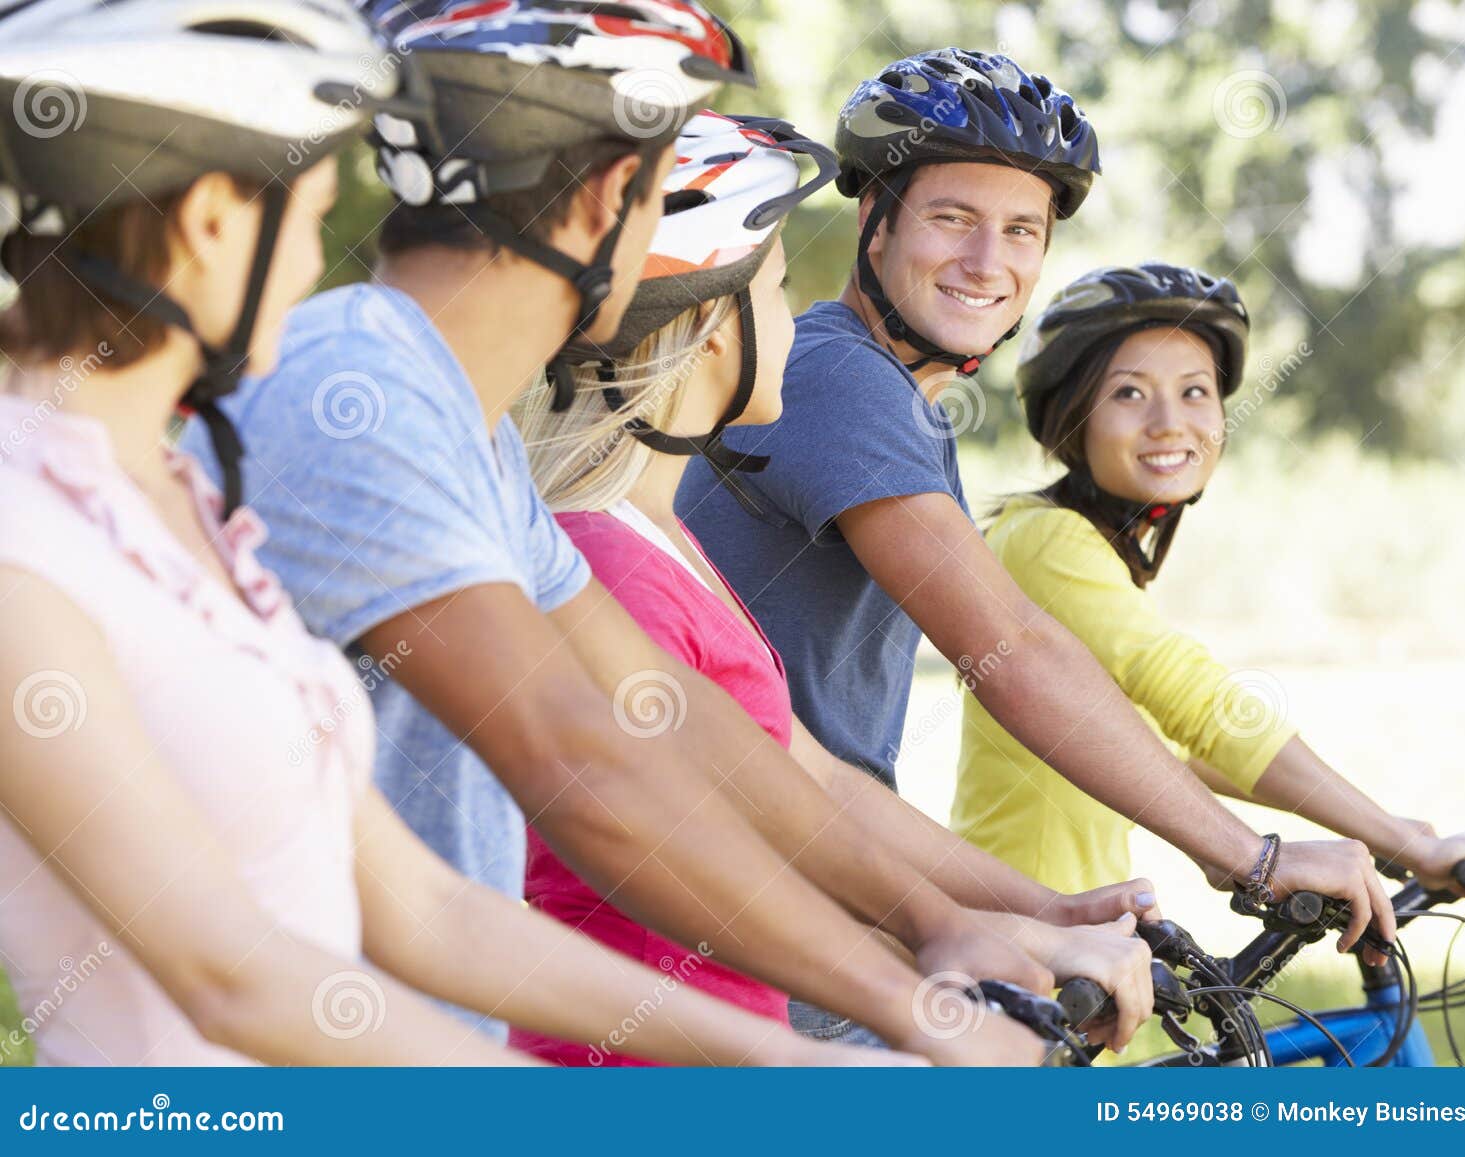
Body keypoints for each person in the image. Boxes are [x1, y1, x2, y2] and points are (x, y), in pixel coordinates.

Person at [0, 0, 888, 1069]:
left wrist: (792, 1059)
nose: (313, 269)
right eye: (313, 209)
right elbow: (233, 973)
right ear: (210, 223)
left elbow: (423, 910)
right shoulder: (28, 540)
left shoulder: (180, 491)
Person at [178, 2, 1049, 1064]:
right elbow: (580, 761)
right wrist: (895, 1000)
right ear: (608, 197)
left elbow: (669, 714)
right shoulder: (360, 390)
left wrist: (933, 928)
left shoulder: (468, 430)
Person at [677, 48, 1398, 1040]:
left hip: (819, 880)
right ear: (872, 220)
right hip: (744, 916)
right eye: (951, 219)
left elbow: (838, 762)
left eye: (1020, 230)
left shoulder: (900, 406)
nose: (988, 262)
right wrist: (1252, 856)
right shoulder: (841, 379)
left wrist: (1041, 908)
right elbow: (1010, 650)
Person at [517, 112, 1158, 1060]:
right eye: (776, 290)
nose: (798, 321)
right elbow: (703, 855)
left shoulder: (659, 543)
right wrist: (932, 961)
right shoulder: (610, 569)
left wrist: (1031, 914)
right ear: (706, 321)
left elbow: (813, 782)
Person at [952, 262, 1465, 903]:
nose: (1170, 421)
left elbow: (1174, 748)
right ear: (1069, 418)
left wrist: (1389, 832)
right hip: (1019, 951)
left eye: (1195, 391)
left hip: (1070, 935)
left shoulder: (1083, 552)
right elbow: (1194, 702)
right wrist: (1405, 844)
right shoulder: (1046, 541)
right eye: (1129, 393)